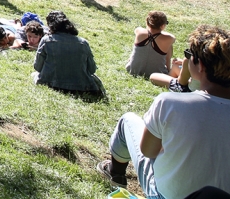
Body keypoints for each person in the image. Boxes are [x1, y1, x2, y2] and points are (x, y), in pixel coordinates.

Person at [99, 24, 230, 197]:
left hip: (163, 194)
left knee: (127, 120)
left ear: (201, 66)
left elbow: (148, 151)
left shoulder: (169, 102)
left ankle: (115, 172)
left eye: (188, 55)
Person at [32, 11, 104, 93]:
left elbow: (37, 67)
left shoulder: (46, 40)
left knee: (34, 75)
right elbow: (92, 69)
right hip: (81, 86)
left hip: (51, 83)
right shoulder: (83, 43)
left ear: (50, 26)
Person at [126, 11, 175, 79]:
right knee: (169, 46)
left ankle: (132, 61)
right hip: (157, 73)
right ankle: (168, 68)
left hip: (133, 70)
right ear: (162, 26)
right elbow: (172, 37)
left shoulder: (139, 31)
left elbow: (141, 29)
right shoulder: (169, 38)